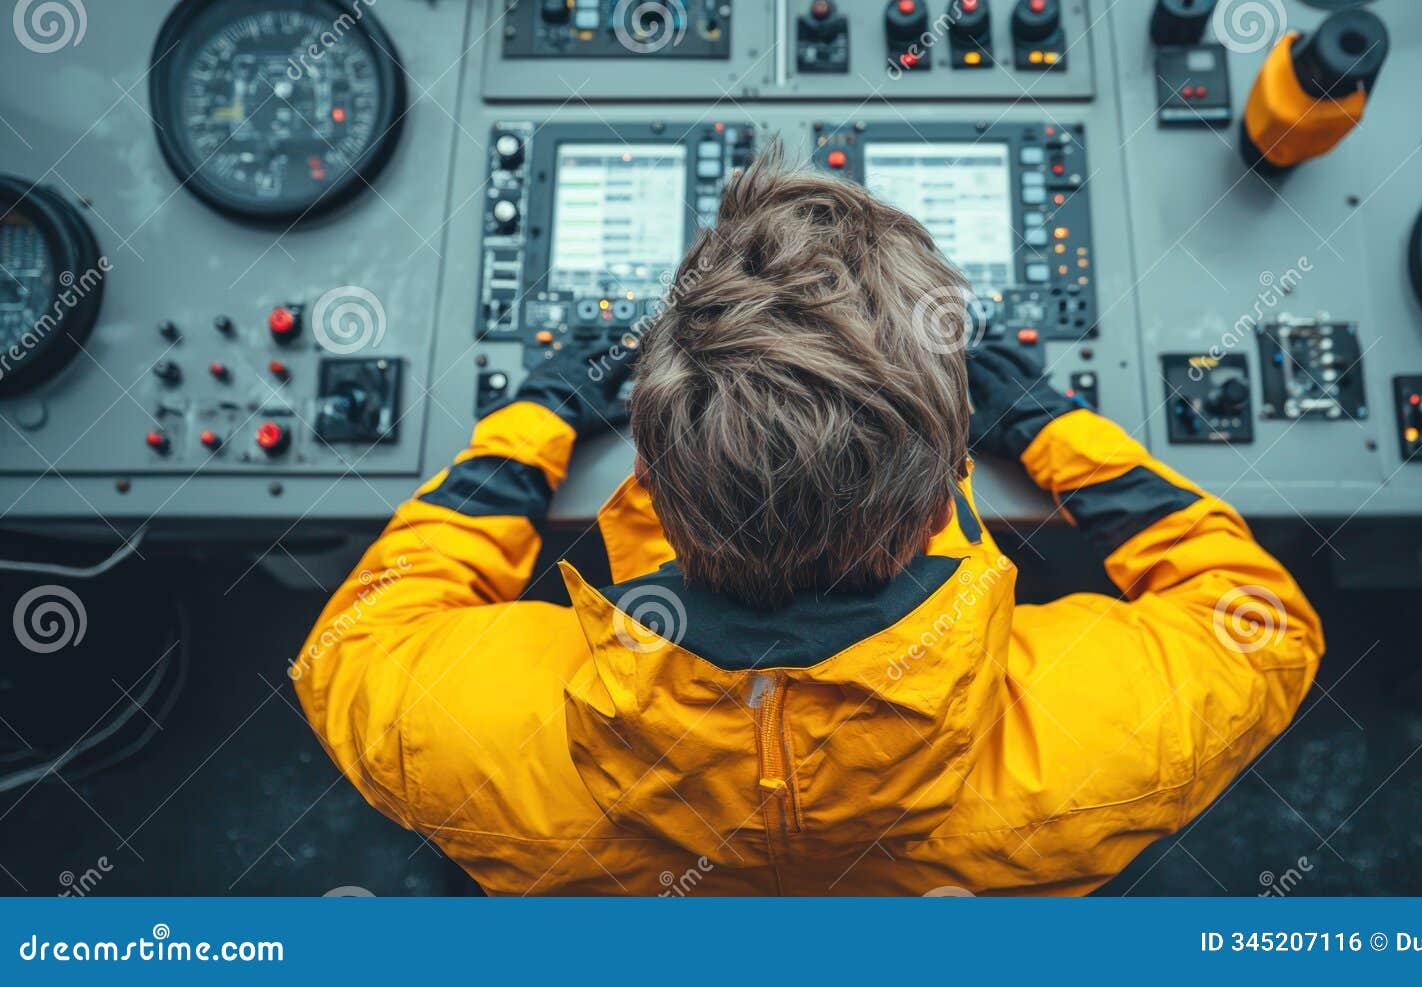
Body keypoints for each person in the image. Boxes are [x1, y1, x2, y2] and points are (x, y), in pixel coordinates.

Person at [293, 149, 1323, 895]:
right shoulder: (1105, 736)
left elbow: (362, 635)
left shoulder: (448, 732)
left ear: (651, 468)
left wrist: (536, 421)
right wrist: (1054, 429)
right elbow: (1259, 621)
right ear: (942, 485)